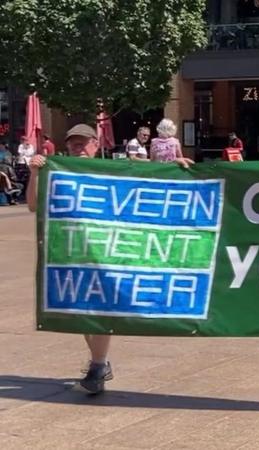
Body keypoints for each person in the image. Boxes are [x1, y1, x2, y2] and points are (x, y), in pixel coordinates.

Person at [26, 124, 192, 394]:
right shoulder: (55, 170)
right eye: (72, 144)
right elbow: (33, 204)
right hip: (72, 252)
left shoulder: (114, 169)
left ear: (95, 144)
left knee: (102, 305)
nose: (77, 148)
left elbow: (149, 177)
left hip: (107, 251)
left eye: (83, 143)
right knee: (82, 309)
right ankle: (99, 362)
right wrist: (34, 173)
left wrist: (175, 166)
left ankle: (98, 365)